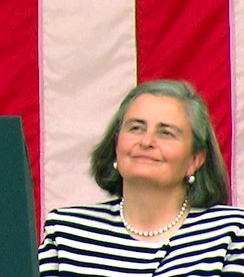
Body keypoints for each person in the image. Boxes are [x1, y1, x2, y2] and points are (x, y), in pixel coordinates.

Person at [38, 79, 244, 276]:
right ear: (116, 144)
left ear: (195, 159)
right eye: (136, 128)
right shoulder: (66, 232)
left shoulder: (232, 233)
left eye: (166, 133)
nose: (146, 141)